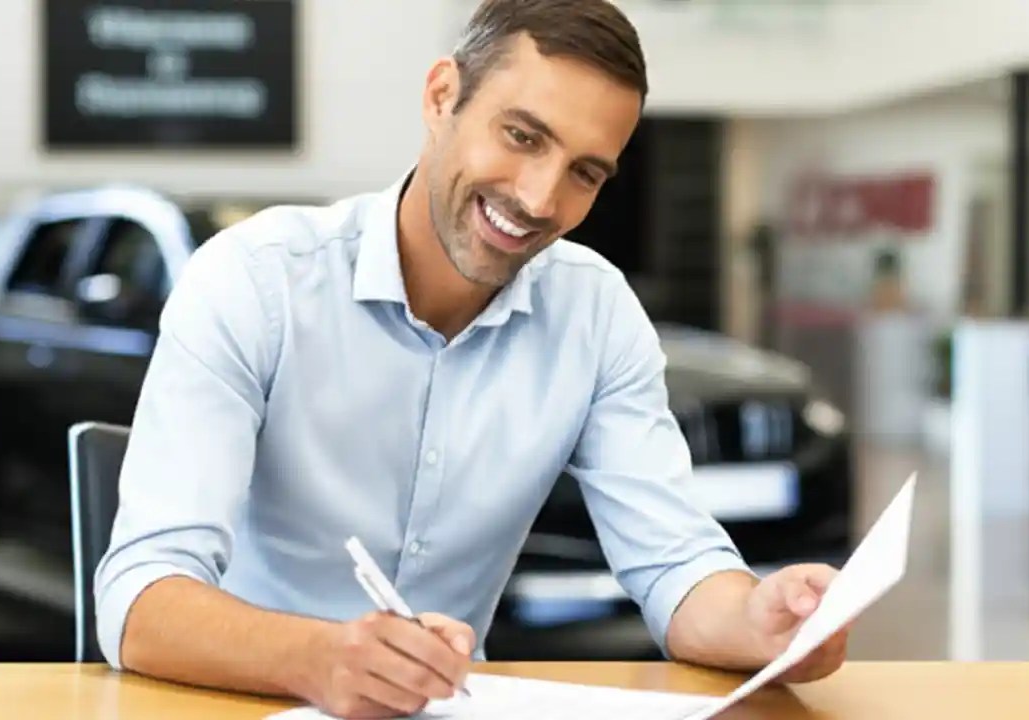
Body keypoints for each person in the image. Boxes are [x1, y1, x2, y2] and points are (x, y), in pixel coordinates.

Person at [95, 1, 850, 717]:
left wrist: (761, 621)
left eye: (585, 172)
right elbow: (139, 601)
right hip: (239, 703)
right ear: (440, 95)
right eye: (522, 136)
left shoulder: (596, 313)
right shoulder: (255, 280)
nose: (539, 197)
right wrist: (320, 657)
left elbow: (675, 570)